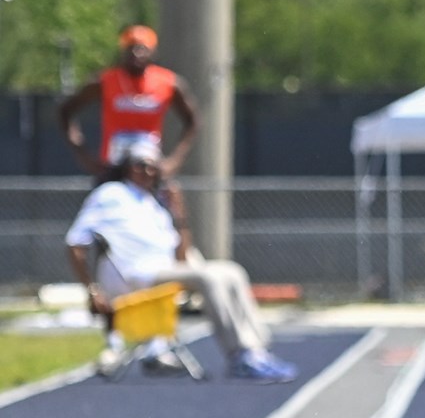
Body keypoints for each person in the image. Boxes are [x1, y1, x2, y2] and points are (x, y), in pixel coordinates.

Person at [65, 139, 297, 381]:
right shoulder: (109, 194)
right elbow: (75, 243)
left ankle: (257, 350)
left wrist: (179, 212)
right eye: (140, 165)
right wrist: (92, 290)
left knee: (231, 271)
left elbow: (182, 257)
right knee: (208, 277)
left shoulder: (154, 204)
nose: (147, 171)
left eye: (153, 167)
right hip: (133, 277)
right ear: (126, 166)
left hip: (162, 274)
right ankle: (239, 355)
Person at [59, 24, 199, 178]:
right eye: (131, 48)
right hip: (112, 167)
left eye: (142, 48)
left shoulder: (168, 82)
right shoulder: (105, 81)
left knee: (172, 195)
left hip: (149, 168)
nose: (136, 53)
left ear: (153, 51)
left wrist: (174, 161)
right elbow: (65, 112)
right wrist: (84, 156)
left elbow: (192, 121)